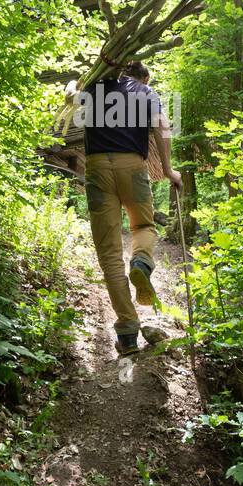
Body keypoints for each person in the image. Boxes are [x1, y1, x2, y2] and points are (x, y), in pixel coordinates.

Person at [78, 60, 182, 355]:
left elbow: (70, 96)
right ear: (143, 77)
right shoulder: (145, 92)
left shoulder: (95, 85)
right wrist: (169, 169)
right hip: (132, 167)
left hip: (97, 167)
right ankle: (141, 261)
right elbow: (162, 126)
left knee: (109, 253)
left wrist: (75, 84)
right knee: (144, 226)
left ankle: (126, 334)